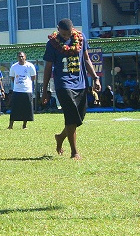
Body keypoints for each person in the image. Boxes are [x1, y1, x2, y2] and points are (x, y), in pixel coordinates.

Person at [41, 18, 101, 159]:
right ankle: (74, 152)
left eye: (69, 34)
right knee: (70, 115)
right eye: (64, 34)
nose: (67, 36)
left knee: (78, 118)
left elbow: (86, 59)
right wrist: (44, 91)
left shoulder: (81, 38)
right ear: (58, 29)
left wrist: (95, 77)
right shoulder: (52, 44)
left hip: (80, 83)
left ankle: (61, 137)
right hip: (63, 84)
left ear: (72, 29)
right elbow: (48, 68)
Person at [8, 51, 36, 129]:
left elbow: (33, 77)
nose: (21, 58)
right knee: (14, 108)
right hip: (17, 90)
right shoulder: (14, 66)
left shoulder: (30, 66)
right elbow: (12, 78)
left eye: (22, 56)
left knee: (26, 108)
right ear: (17, 58)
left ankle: (24, 125)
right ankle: (10, 125)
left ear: (25, 57)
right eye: (19, 56)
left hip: (27, 90)